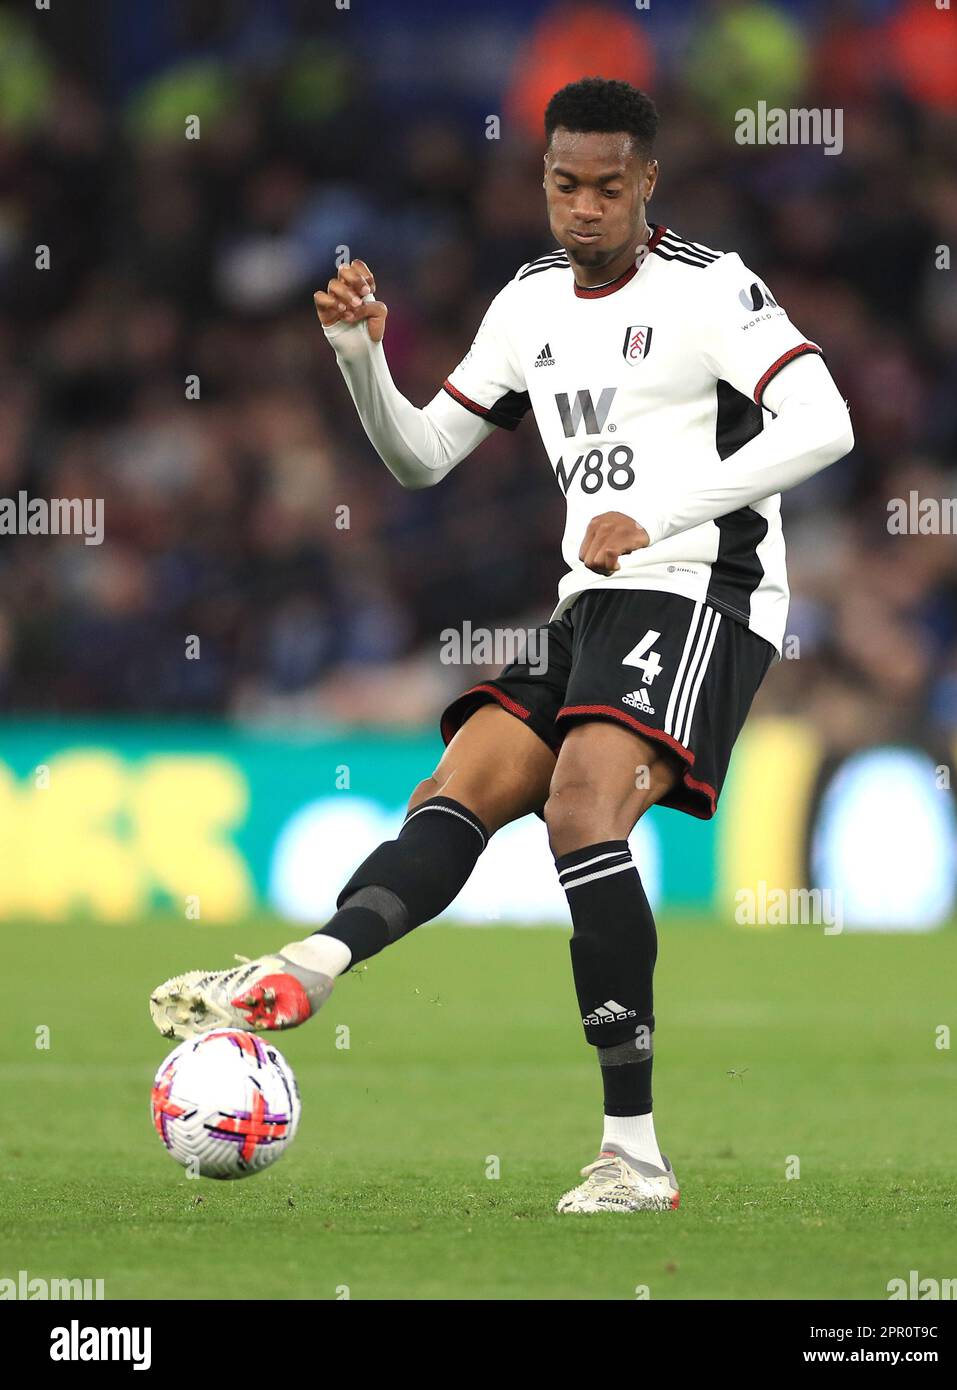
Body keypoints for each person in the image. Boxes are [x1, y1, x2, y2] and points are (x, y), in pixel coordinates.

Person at [150, 77, 853, 1214]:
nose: (584, 207)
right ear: (542, 179)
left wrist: (664, 515)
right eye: (565, 183)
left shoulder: (712, 289)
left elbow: (827, 420)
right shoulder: (525, 304)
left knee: (581, 807)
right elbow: (421, 456)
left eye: (608, 187)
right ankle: (306, 967)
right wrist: (358, 361)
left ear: (648, 185)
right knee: (461, 781)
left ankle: (634, 1153)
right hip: (594, 600)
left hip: (705, 588)